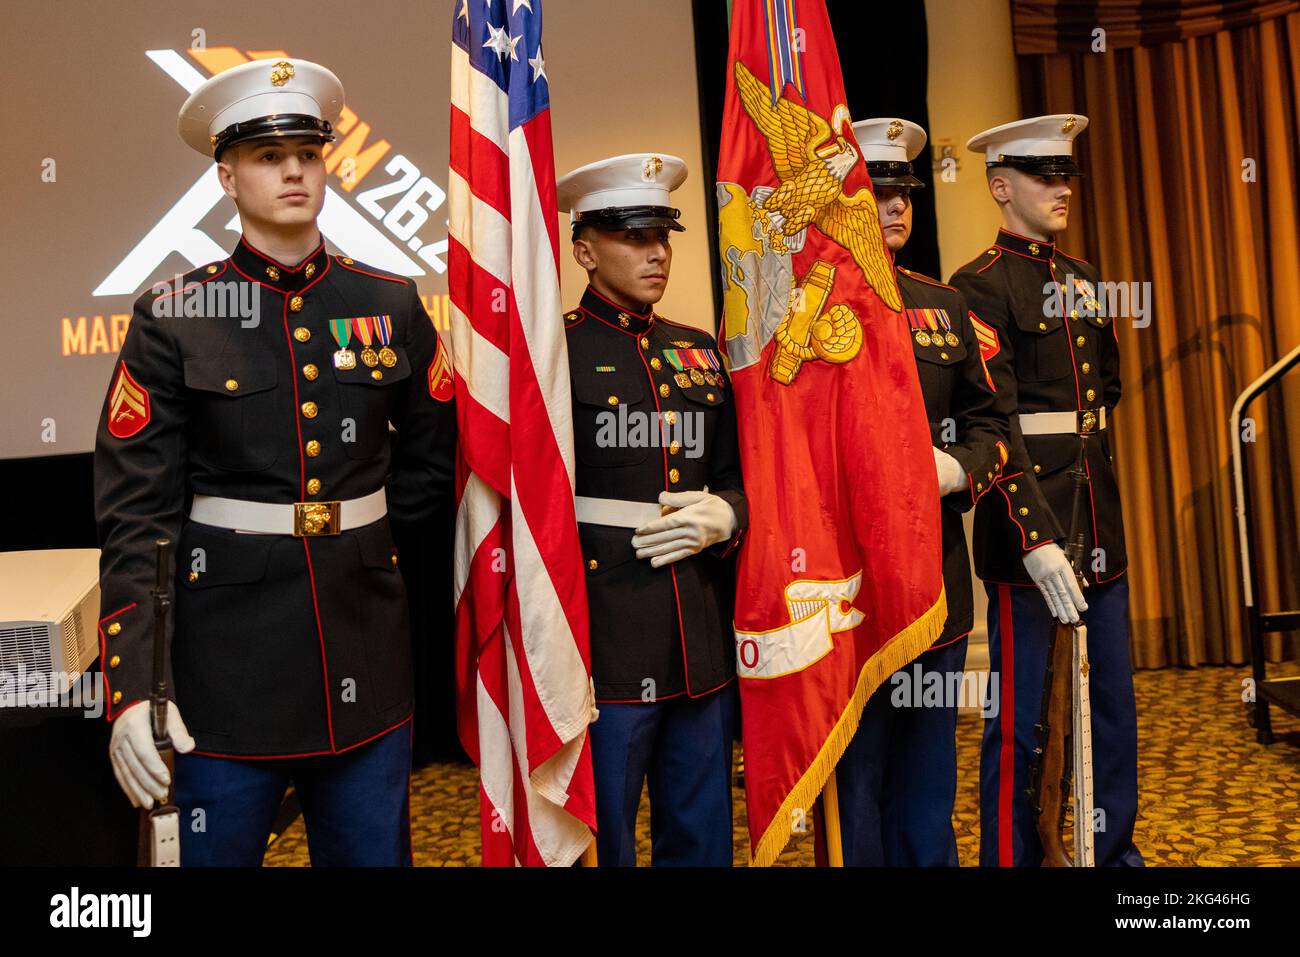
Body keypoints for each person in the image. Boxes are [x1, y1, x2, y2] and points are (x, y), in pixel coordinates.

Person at [95, 57, 456, 866]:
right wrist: (132, 688)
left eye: (308, 151)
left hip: (364, 650)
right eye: (267, 155)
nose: (294, 168)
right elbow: (137, 516)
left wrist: (371, 550)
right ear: (227, 177)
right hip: (224, 676)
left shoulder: (390, 302)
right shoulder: (176, 315)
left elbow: (432, 467)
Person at [948, 114, 1142, 867]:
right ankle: (1018, 859)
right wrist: (1034, 536)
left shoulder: (1086, 279)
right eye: (1041, 176)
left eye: (1065, 175)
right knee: (1024, 718)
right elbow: (994, 423)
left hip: (1098, 512)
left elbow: (1108, 387)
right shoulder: (979, 286)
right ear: (1001, 187)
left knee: (1112, 712)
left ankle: (1111, 853)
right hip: (1029, 528)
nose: (1060, 188)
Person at [555, 153, 747, 865]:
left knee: (701, 832)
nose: (656, 252)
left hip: (697, 630)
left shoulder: (696, 350)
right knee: (604, 833)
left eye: (662, 236)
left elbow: (736, 474)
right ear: (585, 249)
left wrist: (729, 513)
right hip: (603, 634)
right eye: (634, 237)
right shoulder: (556, 352)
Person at [832, 118, 1010, 865]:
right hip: (850, 590)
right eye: (878, 191)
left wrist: (961, 469)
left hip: (936, 584)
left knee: (930, 776)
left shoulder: (942, 305)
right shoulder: (812, 314)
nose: (897, 206)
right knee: (860, 777)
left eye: (904, 191)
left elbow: (992, 422)